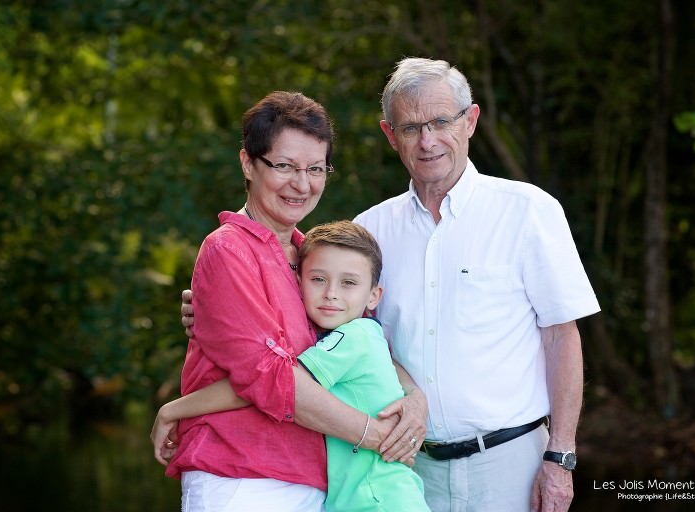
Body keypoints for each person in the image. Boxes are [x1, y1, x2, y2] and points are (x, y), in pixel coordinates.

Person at [180, 58, 600, 512]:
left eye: (441, 121)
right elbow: (310, 339)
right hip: (399, 469)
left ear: (471, 121)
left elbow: (561, 336)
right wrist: (206, 308)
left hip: (507, 462)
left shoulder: (527, 211)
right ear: (389, 135)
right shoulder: (369, 231)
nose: (428, 140)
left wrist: (560, 455)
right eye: (410, 127)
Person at [153, 90, 428, 512]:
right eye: (284, 166)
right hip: (241, 475)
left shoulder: (311, 260)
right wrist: (376, 438)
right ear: (248, 163)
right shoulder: (230, 249)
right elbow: (271, 378)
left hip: (313, 482)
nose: (302, 184)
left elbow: (360, 345)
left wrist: (414, 398)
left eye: (315, 168)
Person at [155, 220, 431, 511]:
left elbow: (275, 384)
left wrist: (174, 409)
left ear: (374, 296)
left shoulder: (355, 338)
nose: (331, 294)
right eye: (318, 279)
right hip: (357, 497)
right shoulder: (353, 336)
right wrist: (218, 305)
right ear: (296, 284)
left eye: (348, 283)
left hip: (381, 498)